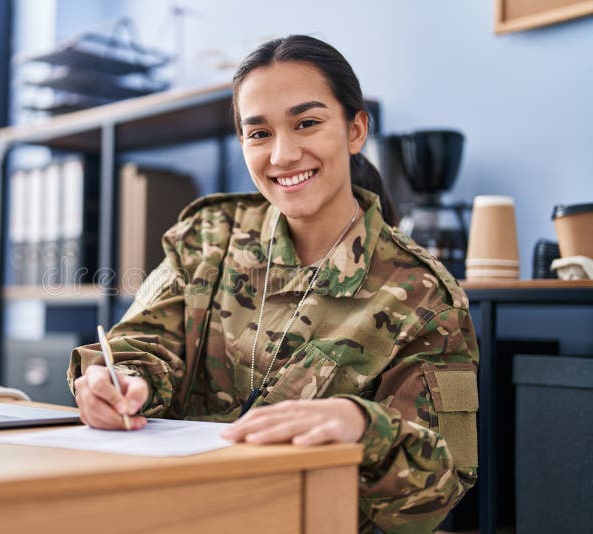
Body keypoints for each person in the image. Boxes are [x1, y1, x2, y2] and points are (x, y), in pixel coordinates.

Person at [68, 34, 478, 533]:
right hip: (171, 513)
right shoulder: (208, 238)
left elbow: (440, 488)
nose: (282, 155)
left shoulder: (424, 295)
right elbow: (146, 341)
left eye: (307, 123)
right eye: (258, 133)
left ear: (355, 130)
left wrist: (363, 427)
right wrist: (121, 382)